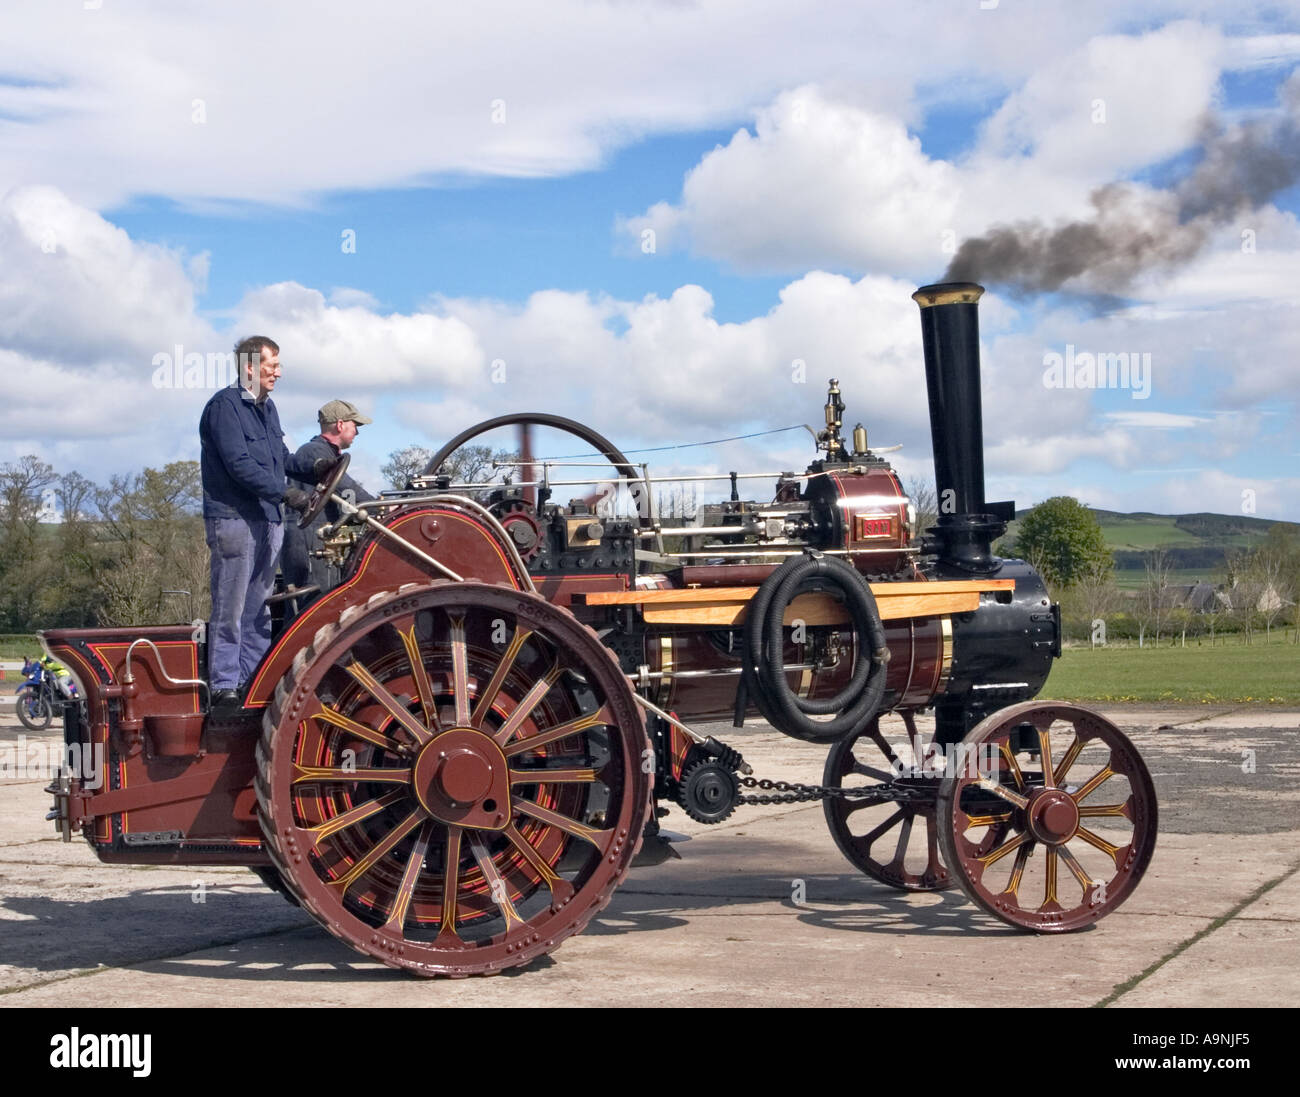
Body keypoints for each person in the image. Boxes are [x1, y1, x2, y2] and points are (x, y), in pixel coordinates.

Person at [198, 336, 319, 709]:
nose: (278, 373)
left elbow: (280, 457)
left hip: (269, 520)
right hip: (234, 520)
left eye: (278, 366)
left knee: (258, 610)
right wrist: (286, 494)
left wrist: (318, 466)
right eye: (272, 366)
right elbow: (239, 466)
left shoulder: (269, 408)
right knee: (231, 608)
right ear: (250, 367)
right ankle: (224, 686)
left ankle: (251, 684)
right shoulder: (224, 407)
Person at [282, 399, 376, 603]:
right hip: (309, 538)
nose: (357, 433)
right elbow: (346, 488)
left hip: (316, 534)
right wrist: (378, 506)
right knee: (315, 603)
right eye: (355, 426)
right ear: (340, 425)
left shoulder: (322, 452)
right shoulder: (314, 452)